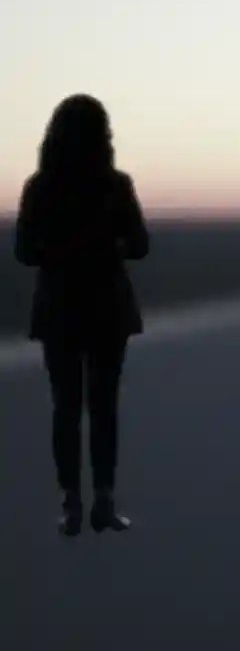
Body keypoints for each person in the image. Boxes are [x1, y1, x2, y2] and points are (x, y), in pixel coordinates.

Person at [14, 94, 150, 536]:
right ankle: (104, 501)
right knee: (104, 406)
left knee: (66, 408)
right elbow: (141, 245)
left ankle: (72, 502)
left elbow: (23, 252)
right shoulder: (116, 185)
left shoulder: (41, 186)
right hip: (107, 308)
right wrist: (106, 247)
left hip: (60, 310)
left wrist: (59, 252)